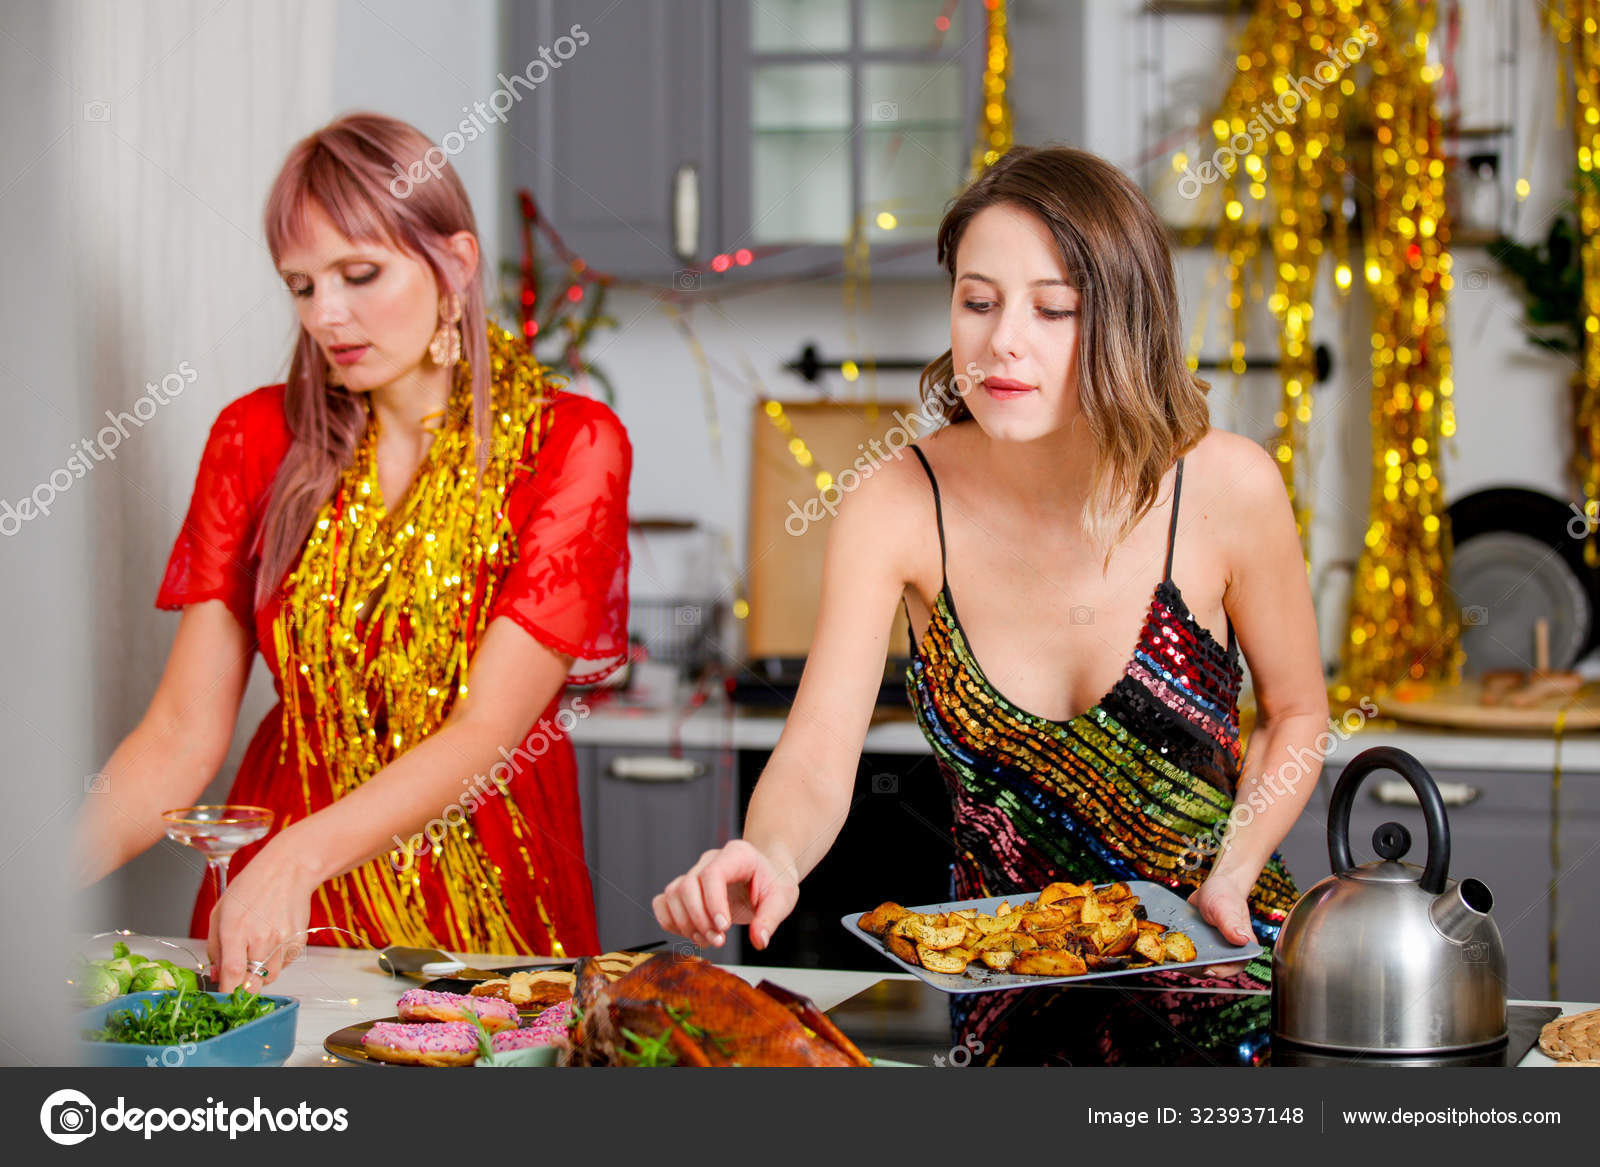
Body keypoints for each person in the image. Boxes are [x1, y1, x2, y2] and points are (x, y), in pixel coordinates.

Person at [655, 145, 1327, 994]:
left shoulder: (1227, 486)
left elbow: (1297, 713)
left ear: (1125, 321)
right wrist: (771, 852)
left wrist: (1232, 872)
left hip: (1223, 976)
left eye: (1053, 309)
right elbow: (818, 753)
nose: (1002, 341)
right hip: (1004, 1006)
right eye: (978, 302)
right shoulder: (896, 502)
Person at [76, 113, 631, 990]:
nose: (325, 315)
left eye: (359, 274)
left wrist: (295, 857)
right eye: (301, 286)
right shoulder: (253, 438)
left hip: (480, 896)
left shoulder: (570, 445)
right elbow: (181, 733)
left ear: (455, 264)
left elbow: (487, 728)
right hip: (282, 904)